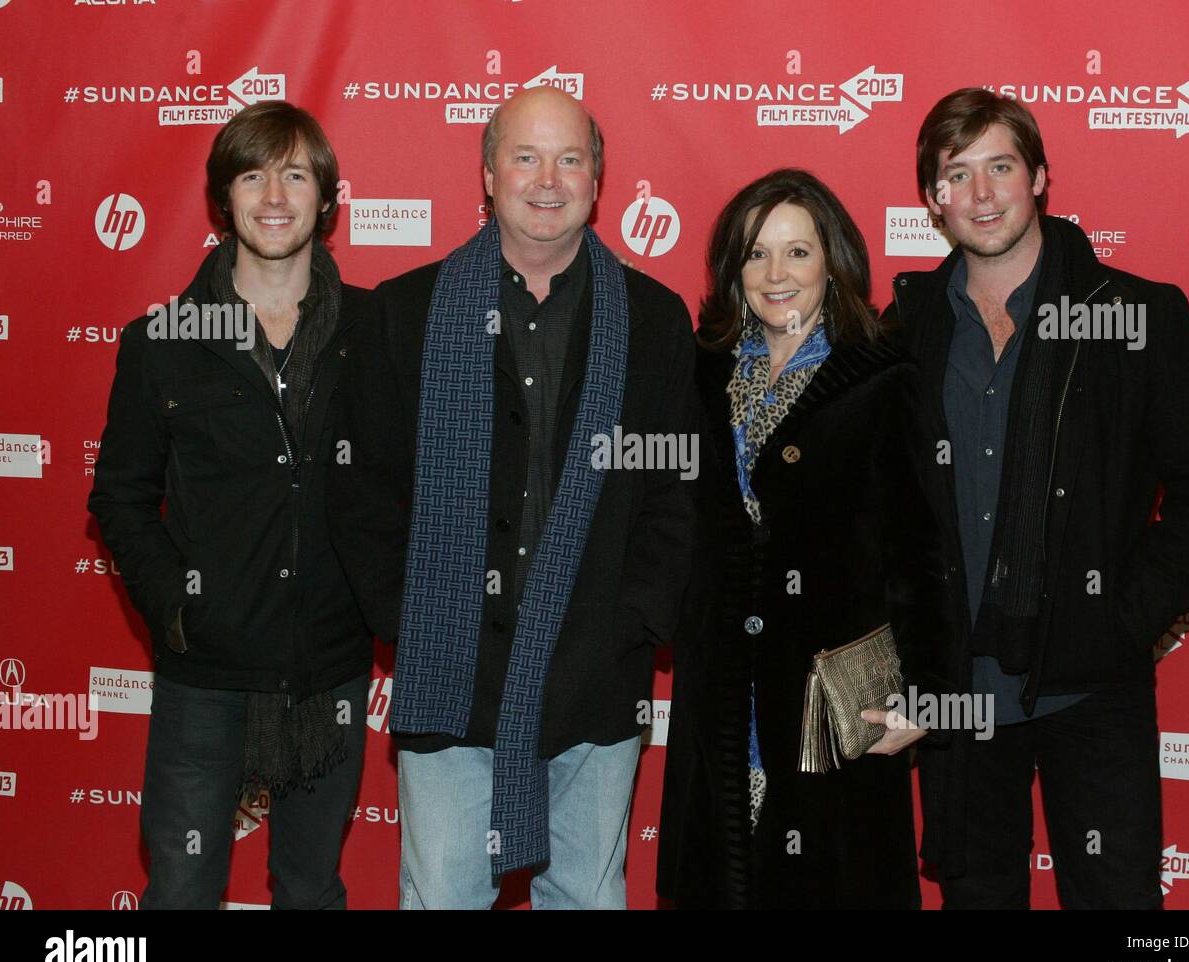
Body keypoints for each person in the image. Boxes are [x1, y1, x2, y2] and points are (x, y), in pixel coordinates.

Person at [327, 86, 696, 909]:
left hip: (597, 679)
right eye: (525, 156)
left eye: (570, 158)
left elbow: (679, 493)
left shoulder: (653, 319)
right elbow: (359, 487)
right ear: (488, 173)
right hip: (450, 671)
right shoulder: (404, 312)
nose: (547, 179)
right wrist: (409, 616)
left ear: (598, 180)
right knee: (443, 899)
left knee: (587, 900)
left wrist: (632, 621)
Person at [886, 88, 1189, 908]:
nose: (981, 195)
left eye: (1001, 167)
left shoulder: (1134, 314)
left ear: (1040, 176)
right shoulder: (905, 328)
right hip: (957, 690)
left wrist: (1125, 617)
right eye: (957, 174)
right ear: (933, 200)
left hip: (1091, 682)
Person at [88, 101, 372, 909]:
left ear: (327, 197)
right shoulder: (163, 341)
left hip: (328, 667)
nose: (274, 195)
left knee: (310, 889)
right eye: (252, 174)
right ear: (224, 198)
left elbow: (403, 483)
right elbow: (120, 495)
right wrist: (176, 605)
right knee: (180, 890)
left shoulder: (375, 332)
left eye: (294, 174)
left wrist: (373, 601)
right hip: (204, 672)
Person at [656, 169, 952, 909]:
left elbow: (924, 552)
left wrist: (929, 694)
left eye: (797, 251)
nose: (776, 274)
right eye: (756, 254)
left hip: (834, 700)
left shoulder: (882, 380)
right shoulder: (700, 373)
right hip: (720, 689)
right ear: (732, 270)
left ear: (834, 262)